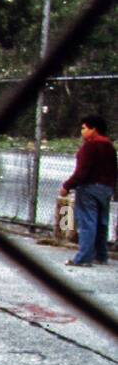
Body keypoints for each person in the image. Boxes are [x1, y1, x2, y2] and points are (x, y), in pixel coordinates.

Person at [60, 114, 116, 268]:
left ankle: (84, 257)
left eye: (84, 128)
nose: (82, 132)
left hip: (89, 188)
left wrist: (67, 186)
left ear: (94, 129)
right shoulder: (109, 146)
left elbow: (82, 172)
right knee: (101, 222)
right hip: (106, 188)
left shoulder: (89, 146)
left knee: (87, 223)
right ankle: (101, 255)